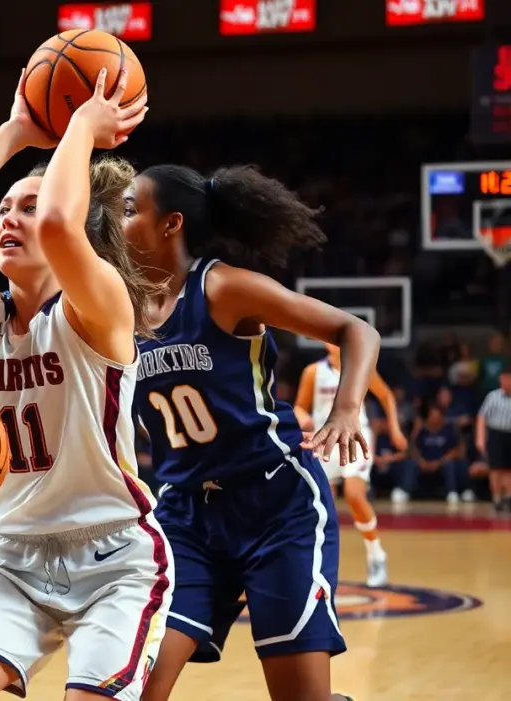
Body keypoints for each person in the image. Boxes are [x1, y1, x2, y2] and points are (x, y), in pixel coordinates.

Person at [0, 68, 165, 701]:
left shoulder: (99, 304)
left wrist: (80, 126)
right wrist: (18, 130)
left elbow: (58, 225)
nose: (10, 220)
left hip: (113, 557)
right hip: (11, 553)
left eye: (26, 206)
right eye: (1, 210)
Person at [122, 162, 381, 701]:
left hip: (275, 504)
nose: (116, 223)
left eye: (129, 210)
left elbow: (355, 330)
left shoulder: (222, 288)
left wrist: (347, 409)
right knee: (140, 688)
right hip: (186, 515)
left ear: (171, 224)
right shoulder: (121, 309)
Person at [293, 342, 408, 587]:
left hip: (356, 436)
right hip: (323, 438)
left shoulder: (360, 368)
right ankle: (316, 566)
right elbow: (300, 405)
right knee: (319, 504)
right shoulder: (313, 371)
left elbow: (386, 395)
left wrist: (395, 430)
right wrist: (303, 418)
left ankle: (376, 553)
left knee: (354, 495)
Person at [477, 366, 511, 511]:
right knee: (496, 468)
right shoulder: (493, 396)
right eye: (505, 378)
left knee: (509, 469)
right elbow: (482, 417)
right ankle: (497, 497)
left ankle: (509, 496)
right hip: (496, 434)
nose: (507, 381)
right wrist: (480, 439)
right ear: (500, 379)